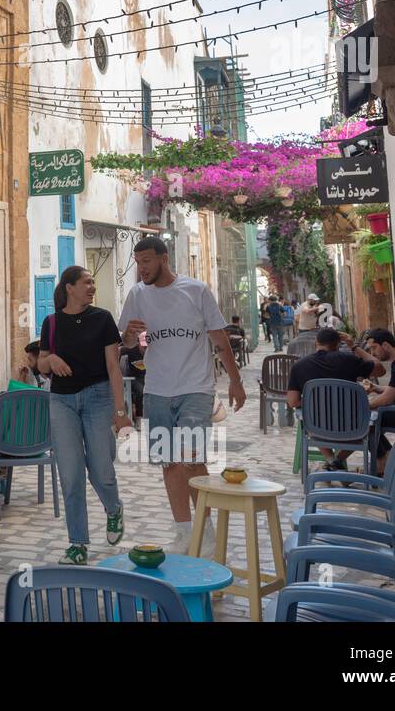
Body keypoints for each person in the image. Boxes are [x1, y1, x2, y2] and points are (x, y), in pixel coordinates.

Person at [119, 236, 246, 555]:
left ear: (164, 258)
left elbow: (219, 337)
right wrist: (130, 336)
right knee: (169, 463)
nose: (142, 268)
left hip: (196, 388)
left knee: (192, 460)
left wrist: (235, 380)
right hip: (156, 391)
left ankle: (206, 532)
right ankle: (183, 532)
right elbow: (128, 344)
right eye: (138, 262)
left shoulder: (196, 290)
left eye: (147, 260)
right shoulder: (136, 295)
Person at [38, 265, 131, 564]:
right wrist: (50, 358)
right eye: (87, 282)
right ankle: (77, 544)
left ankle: (113, 508)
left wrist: (120, 411)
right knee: (71, 475)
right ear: (70, 287)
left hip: (98, 398)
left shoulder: (102, 319)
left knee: (102, 469)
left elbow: (113, 367)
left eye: (92, 283)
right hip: (62, 402)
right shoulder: (51, 323)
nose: (92, 287)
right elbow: (40, 364)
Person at [286, 328, 385, 471]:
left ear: (316, 343)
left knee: (307, 419)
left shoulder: (299, 366)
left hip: (317, 428)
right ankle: (337, 461)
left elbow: (293, 402)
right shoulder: (349, 360)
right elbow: (380, 369)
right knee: (370, 429)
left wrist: (317, 402)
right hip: (352, 428)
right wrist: (354, 346)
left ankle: (331, 461)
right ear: (338, 345)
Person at [361, 329, 395, 471]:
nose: (372, 354)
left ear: (385, 345)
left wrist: (364, 405)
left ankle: (382, 461)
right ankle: (386, 456)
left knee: (365, 419)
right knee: (370, 416)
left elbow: (387, 399)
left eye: (374, 348)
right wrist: (376, 388)